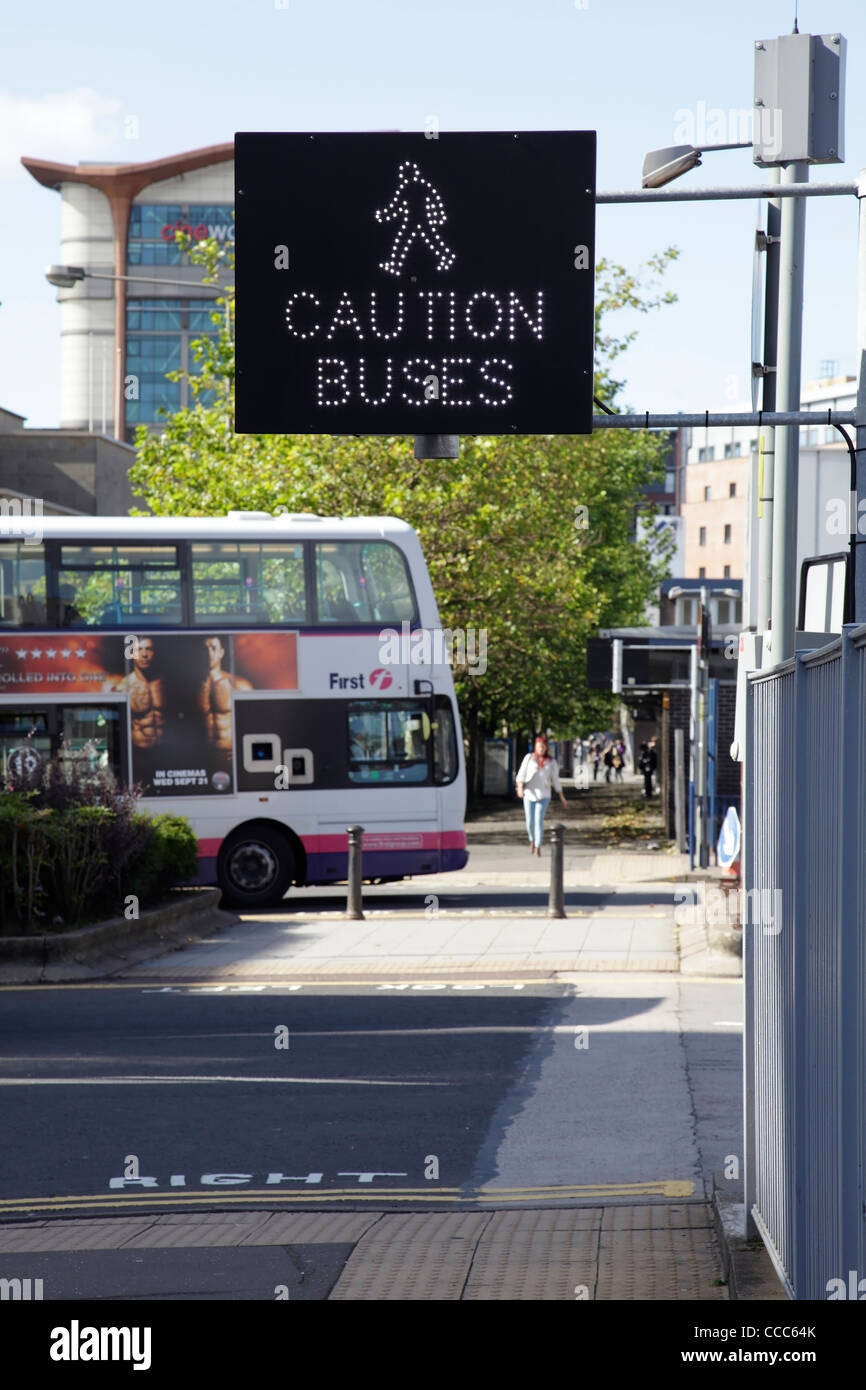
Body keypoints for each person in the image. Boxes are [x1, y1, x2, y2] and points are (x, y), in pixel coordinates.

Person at [516, 734, 567, 857]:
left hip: (543, 795)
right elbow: (521, 774)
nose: (541, 749)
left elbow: (555, 780)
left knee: (538, 820)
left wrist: (561, 795)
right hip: (529, 794)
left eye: (543, 746)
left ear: (546, 748)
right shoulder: (529, 758)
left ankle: (538, 845)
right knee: (530, 821)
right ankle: (532, 840)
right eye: (539, 746)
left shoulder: (551, 762)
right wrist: (520, 788)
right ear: (535, 747)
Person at [199, 636, 253, 751]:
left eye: (213, 648)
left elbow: (252, 726)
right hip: (201, 758)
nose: (209, 654)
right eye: (205, 649)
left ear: (221, 653)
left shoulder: (239, 685)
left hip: (230, 755)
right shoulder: (190, 687)